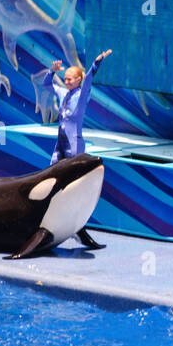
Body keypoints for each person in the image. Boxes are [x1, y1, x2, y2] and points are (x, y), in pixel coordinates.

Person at [42, 48, 112, 249]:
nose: (67, 81)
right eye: (65, 78)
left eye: (71, 79)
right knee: (50, 176)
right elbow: (48, 84)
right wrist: (52, 71)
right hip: (60, 144)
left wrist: (96, 62)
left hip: (74, 146)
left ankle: (76, 225)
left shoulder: (82, 95)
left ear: (79, 81)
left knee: (72, 185)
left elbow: (90, 77)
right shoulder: (64, 92)